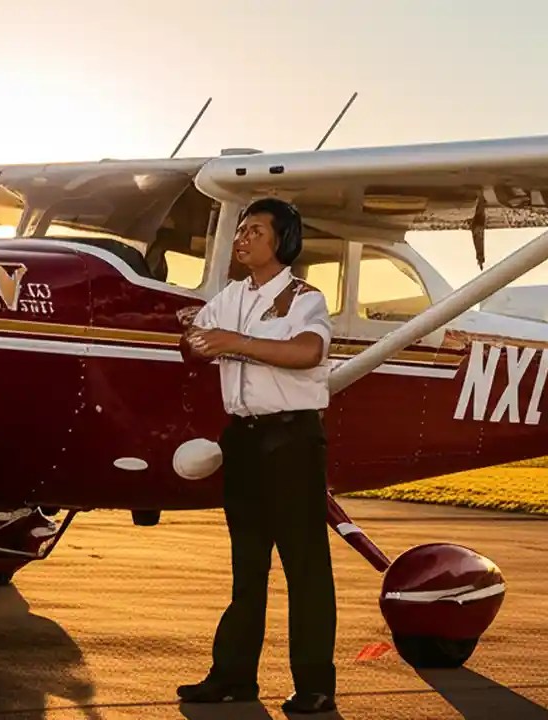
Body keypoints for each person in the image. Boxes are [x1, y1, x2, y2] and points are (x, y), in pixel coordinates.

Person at [176, 197, 338, 715]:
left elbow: (307, 352)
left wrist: (233, 342)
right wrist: (212, 339)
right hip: (242, 439)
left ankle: (315, 684)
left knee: (304, 567)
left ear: (283, 242)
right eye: (241, 230)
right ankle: (233, 676)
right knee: (247, 567)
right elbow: (194, 340)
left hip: (291, 441)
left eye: (256, 231)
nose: (242, 239)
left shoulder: (305, 298)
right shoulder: (230, 295)